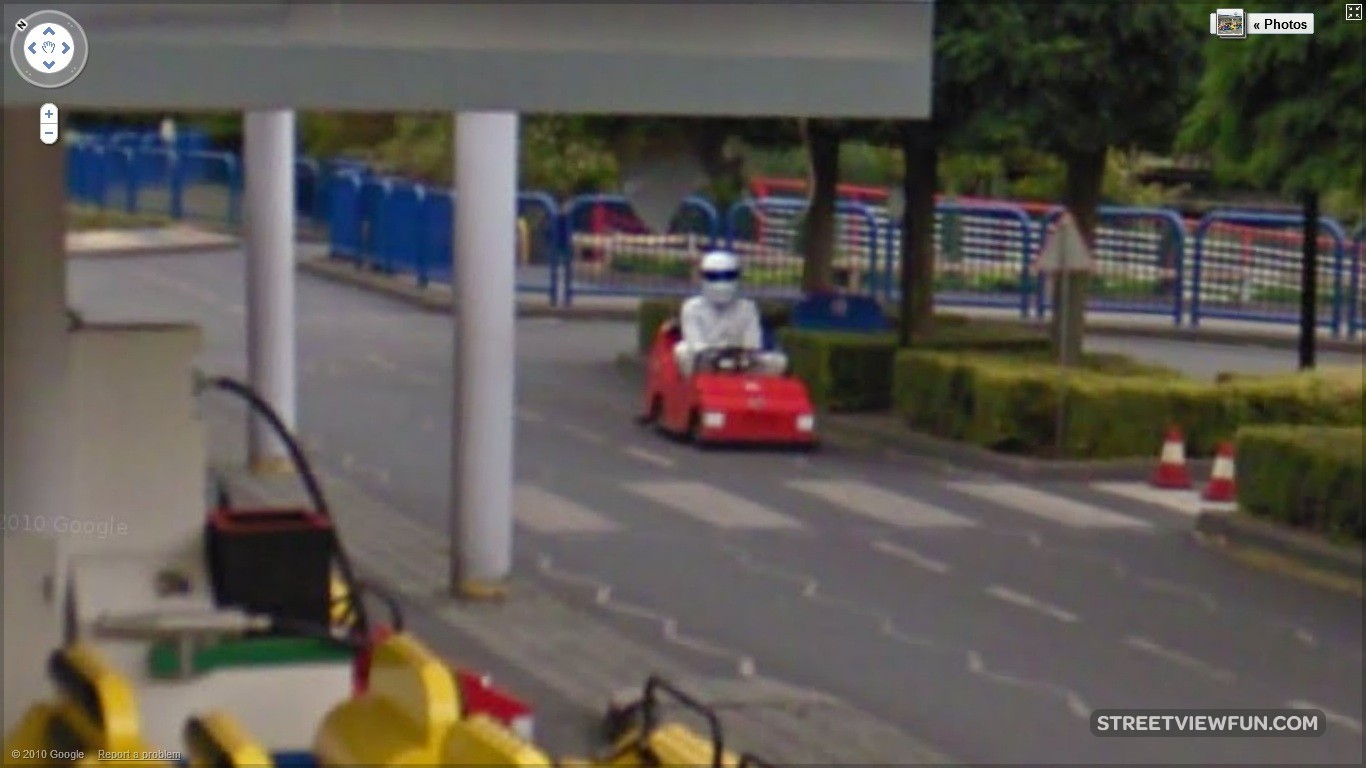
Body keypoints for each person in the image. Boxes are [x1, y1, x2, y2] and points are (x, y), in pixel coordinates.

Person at [674, 250, 788, 376]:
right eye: (713, 276)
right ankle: (692, 391)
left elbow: (753, 346)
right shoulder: (692, 308)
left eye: (728, 276)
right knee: (682, 351)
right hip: (705, 367)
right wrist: (717, 358)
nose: (721, 283)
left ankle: (754, 389)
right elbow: (696, 347)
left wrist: (740, 359)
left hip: (741, 366)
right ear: (703, 278)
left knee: (778, 361)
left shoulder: (748, 308)